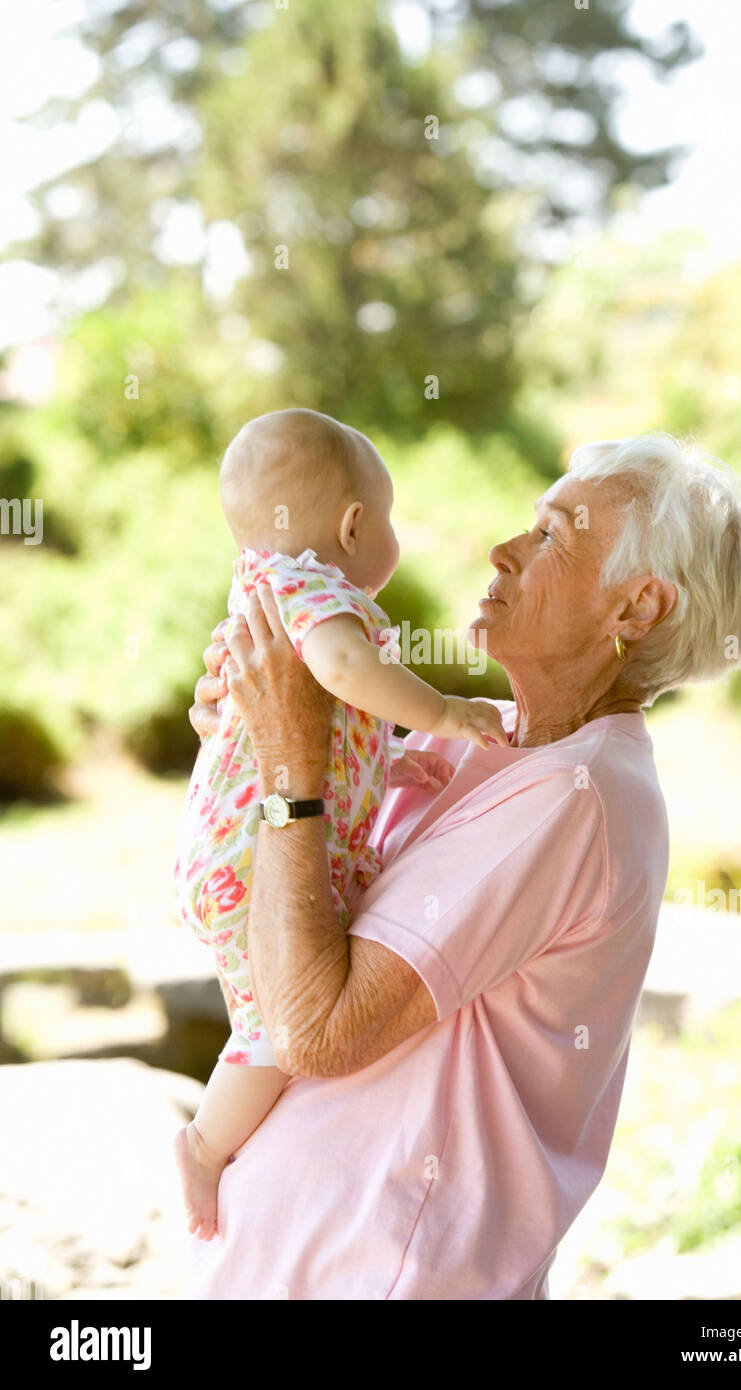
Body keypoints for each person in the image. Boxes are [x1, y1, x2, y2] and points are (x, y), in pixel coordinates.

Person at [184, 432, 741, 1300]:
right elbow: (293, 896)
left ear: (637, 607)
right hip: (288, 1257)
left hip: (380, 1272)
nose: (506, 548)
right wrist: (244, 737)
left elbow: (316, 1030)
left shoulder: (576, 794)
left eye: (554, 534)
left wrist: (288, 762)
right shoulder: (476, 737)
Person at [173, 408, 506, 1242]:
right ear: (355, 525)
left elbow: (328, 728)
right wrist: (446, 709)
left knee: (269, 1013)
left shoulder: (271, 585)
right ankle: (206, 1147)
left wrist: (397, 761)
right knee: (275, 1030)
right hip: (252, 858)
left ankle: (244, 1147)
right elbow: (347, 672)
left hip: (235, 849)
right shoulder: (316, 591)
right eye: (387, 520)